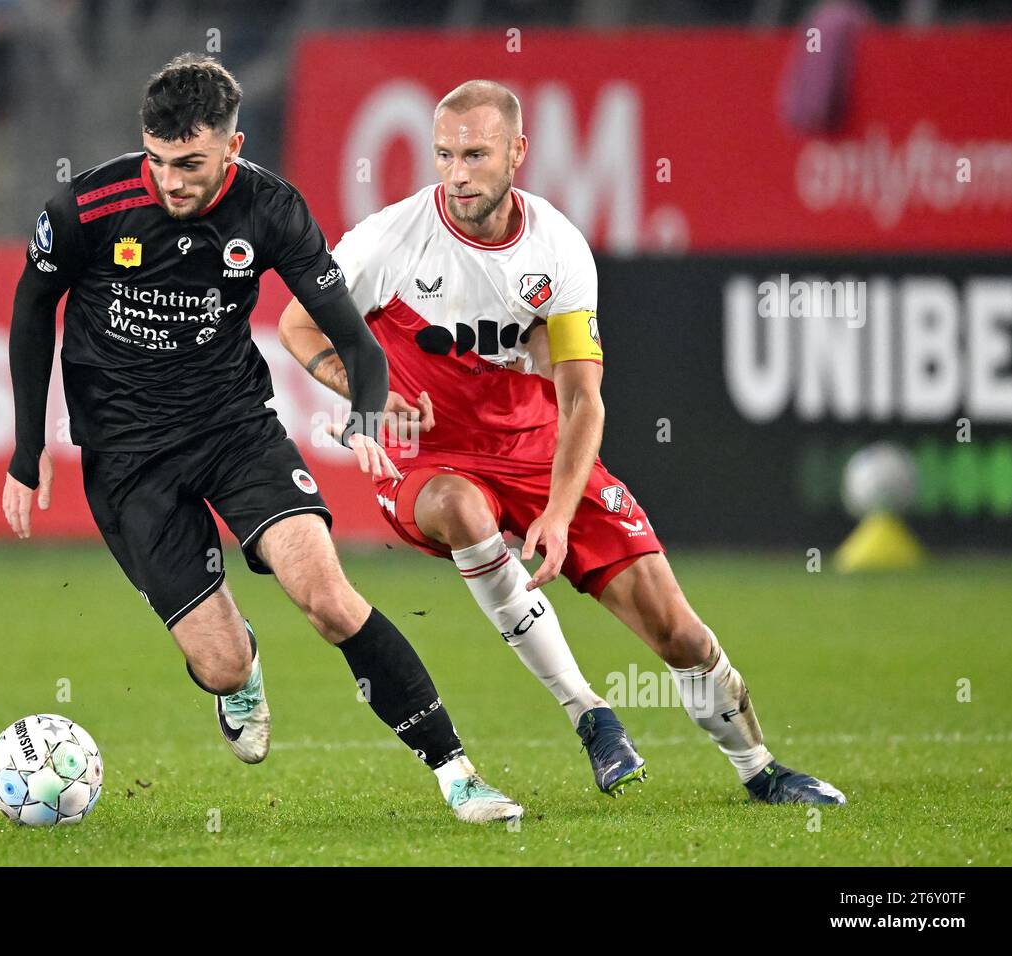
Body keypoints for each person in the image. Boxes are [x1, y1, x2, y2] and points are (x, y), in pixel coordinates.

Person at [279, 80, 846, 806]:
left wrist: (556, 508)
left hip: (538, 451)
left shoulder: (558, 251)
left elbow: (581, 400)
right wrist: (357, 388)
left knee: (678, 632)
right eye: (444, 155)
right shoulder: (387, 238)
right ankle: (591, 714)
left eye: (476, 154)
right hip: (429, 459)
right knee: (463, 511)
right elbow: (299, 323)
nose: (457, 174)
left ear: (518, 152)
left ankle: (760, 770)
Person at [3, 55, 521, 823]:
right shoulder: (88, 208)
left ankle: (457, 772)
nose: (170, 181)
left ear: (233, 148)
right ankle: (241, 668)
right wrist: (25, 449)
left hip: (233, 429)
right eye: (157, 160)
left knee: (327, 597)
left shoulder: (271, 210)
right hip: (127, 457)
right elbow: (29, 309)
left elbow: (357, 340)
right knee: (216, 664)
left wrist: (369, 412)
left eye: (190, 163)